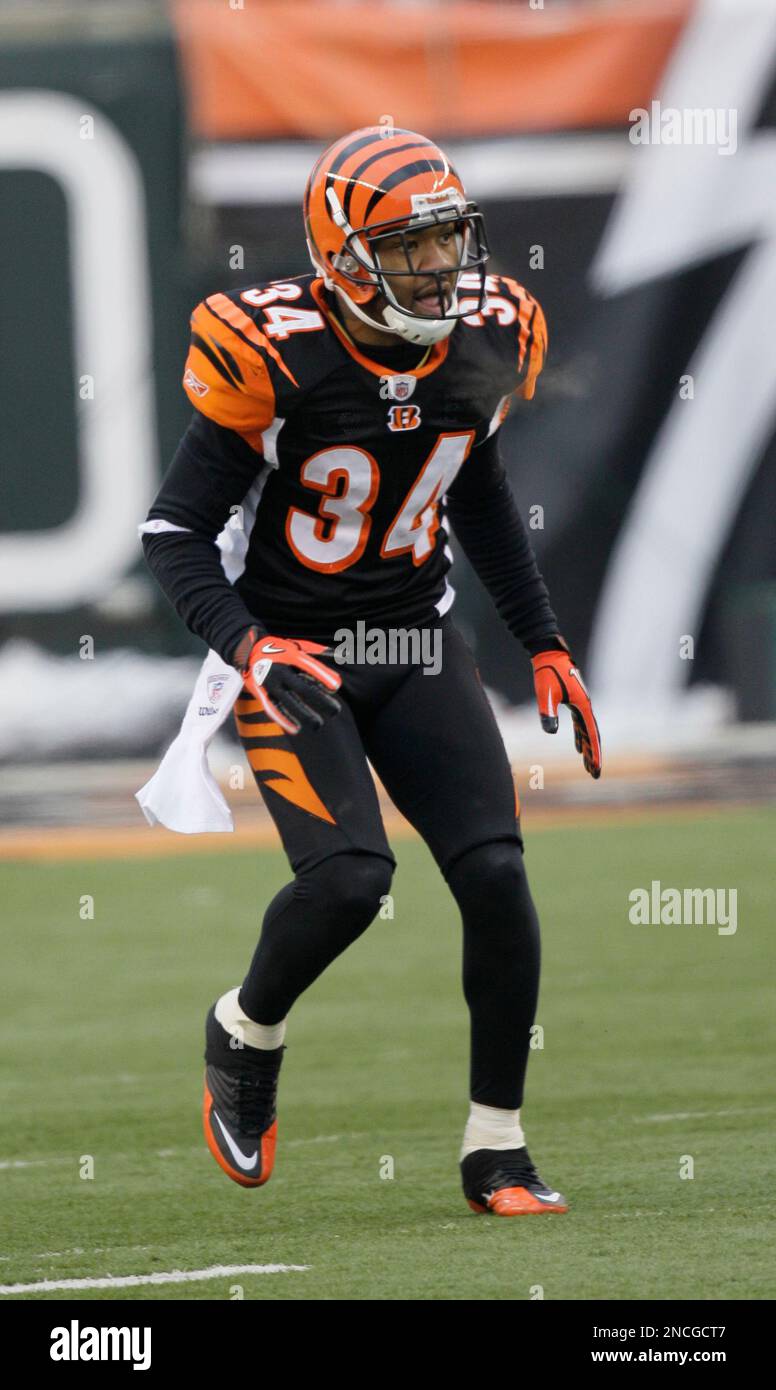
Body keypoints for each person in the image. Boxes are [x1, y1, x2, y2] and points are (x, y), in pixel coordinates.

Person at [140, 126, 601, 1217]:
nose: (440, 267)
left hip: (414, 634)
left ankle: (497, 1146)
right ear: (345, 256)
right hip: (296, 656)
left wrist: (541, 640)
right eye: (410, 245)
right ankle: (244, 1031)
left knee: (493, 876)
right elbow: (172, 532)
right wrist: (250, 645)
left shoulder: (486, 335)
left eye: (448, 238)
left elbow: (470, 479)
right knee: (350, 882)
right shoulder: (276, 350)